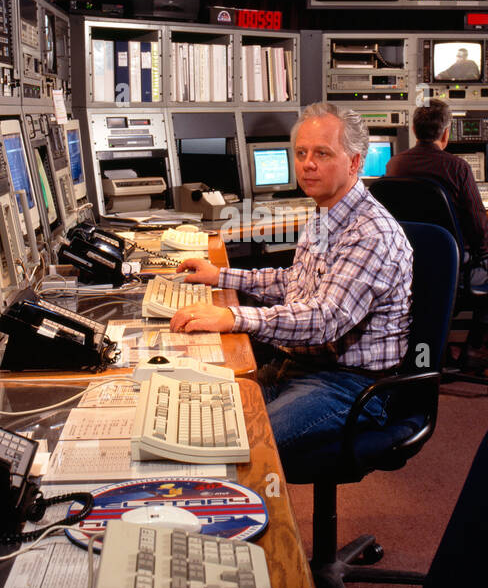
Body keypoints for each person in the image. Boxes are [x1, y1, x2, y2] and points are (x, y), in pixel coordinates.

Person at [169, 102, 413, 455]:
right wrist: (221, 275)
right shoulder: (325, 213)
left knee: (236, 444)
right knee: (197, 416)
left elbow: (325, 319)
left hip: (350, 386)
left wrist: (233, 317)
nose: (307, 164)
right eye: (301, 153)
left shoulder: (371, 233)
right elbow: (296, 281)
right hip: (298, 367)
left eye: (322, 153)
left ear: (355, 162)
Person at [385, 99, 488, 257]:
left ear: (414, 130)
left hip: (407, 259)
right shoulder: (458, 167)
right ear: (446, 133)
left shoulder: (394, 164)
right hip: (452, 260)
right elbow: (476, 221)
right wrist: (485, 249)